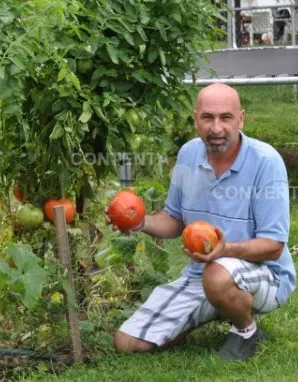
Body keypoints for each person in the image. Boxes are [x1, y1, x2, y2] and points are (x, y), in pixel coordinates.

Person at [112, 83, 296, 361]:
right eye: (208, 117)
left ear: (241, 118)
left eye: (226, 117)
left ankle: (247, 331)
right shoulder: (188, 154)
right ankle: (213, 309)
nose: (216, 127)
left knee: (217, 273)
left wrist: (226, 250)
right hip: (203, 277)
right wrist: (137, 222)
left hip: (266, 276)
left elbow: (273, 246)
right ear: (196, 118)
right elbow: (173, 220)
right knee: (128, 343)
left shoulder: (266, 162)